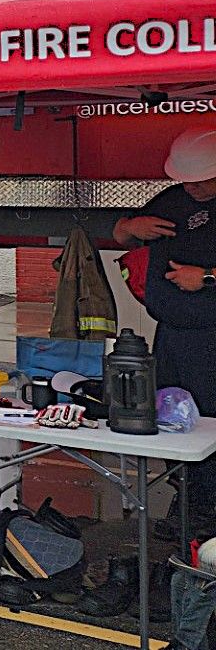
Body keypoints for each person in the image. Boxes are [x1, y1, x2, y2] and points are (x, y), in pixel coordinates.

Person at [115, 127, 216, 539]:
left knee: (209, 418)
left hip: (211, 334)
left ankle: (208, 507)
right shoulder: (175, 200)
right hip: (171, 332)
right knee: (176, 414)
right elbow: (118, 232)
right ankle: (187, 496)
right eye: (185, 179)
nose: (191, 187)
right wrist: (132, 225)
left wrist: (206, 277)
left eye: (200, 179)